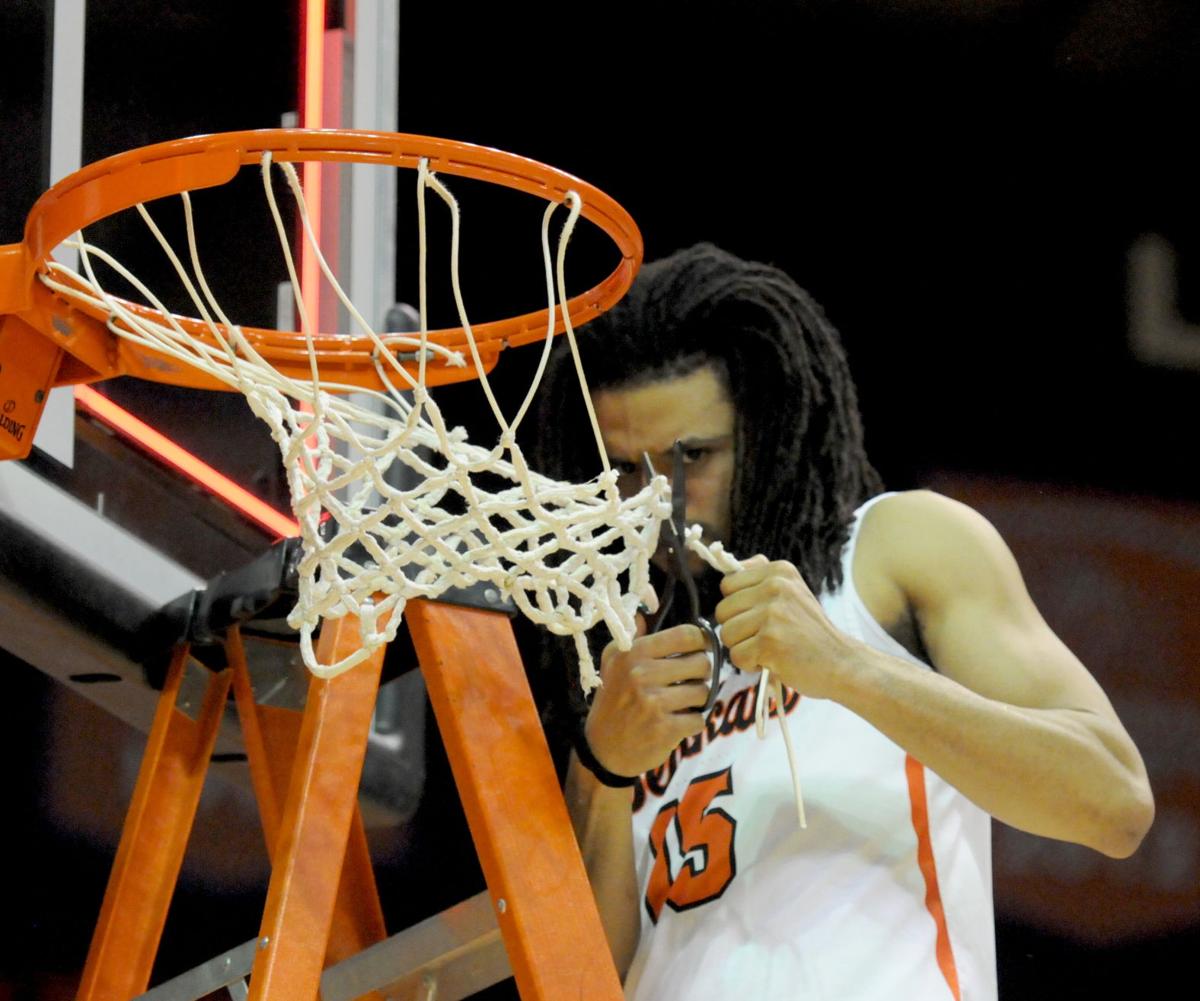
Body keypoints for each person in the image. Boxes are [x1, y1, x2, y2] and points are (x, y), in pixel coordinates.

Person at [530, 243, 1153, 1001]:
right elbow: (572, 986)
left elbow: (1114, 803)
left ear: (769, 429)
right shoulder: (623, 677)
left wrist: (847, 666)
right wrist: (600, 771)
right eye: (628, 468)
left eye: (693, 456)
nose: (662, 501)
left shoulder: (895, 547)